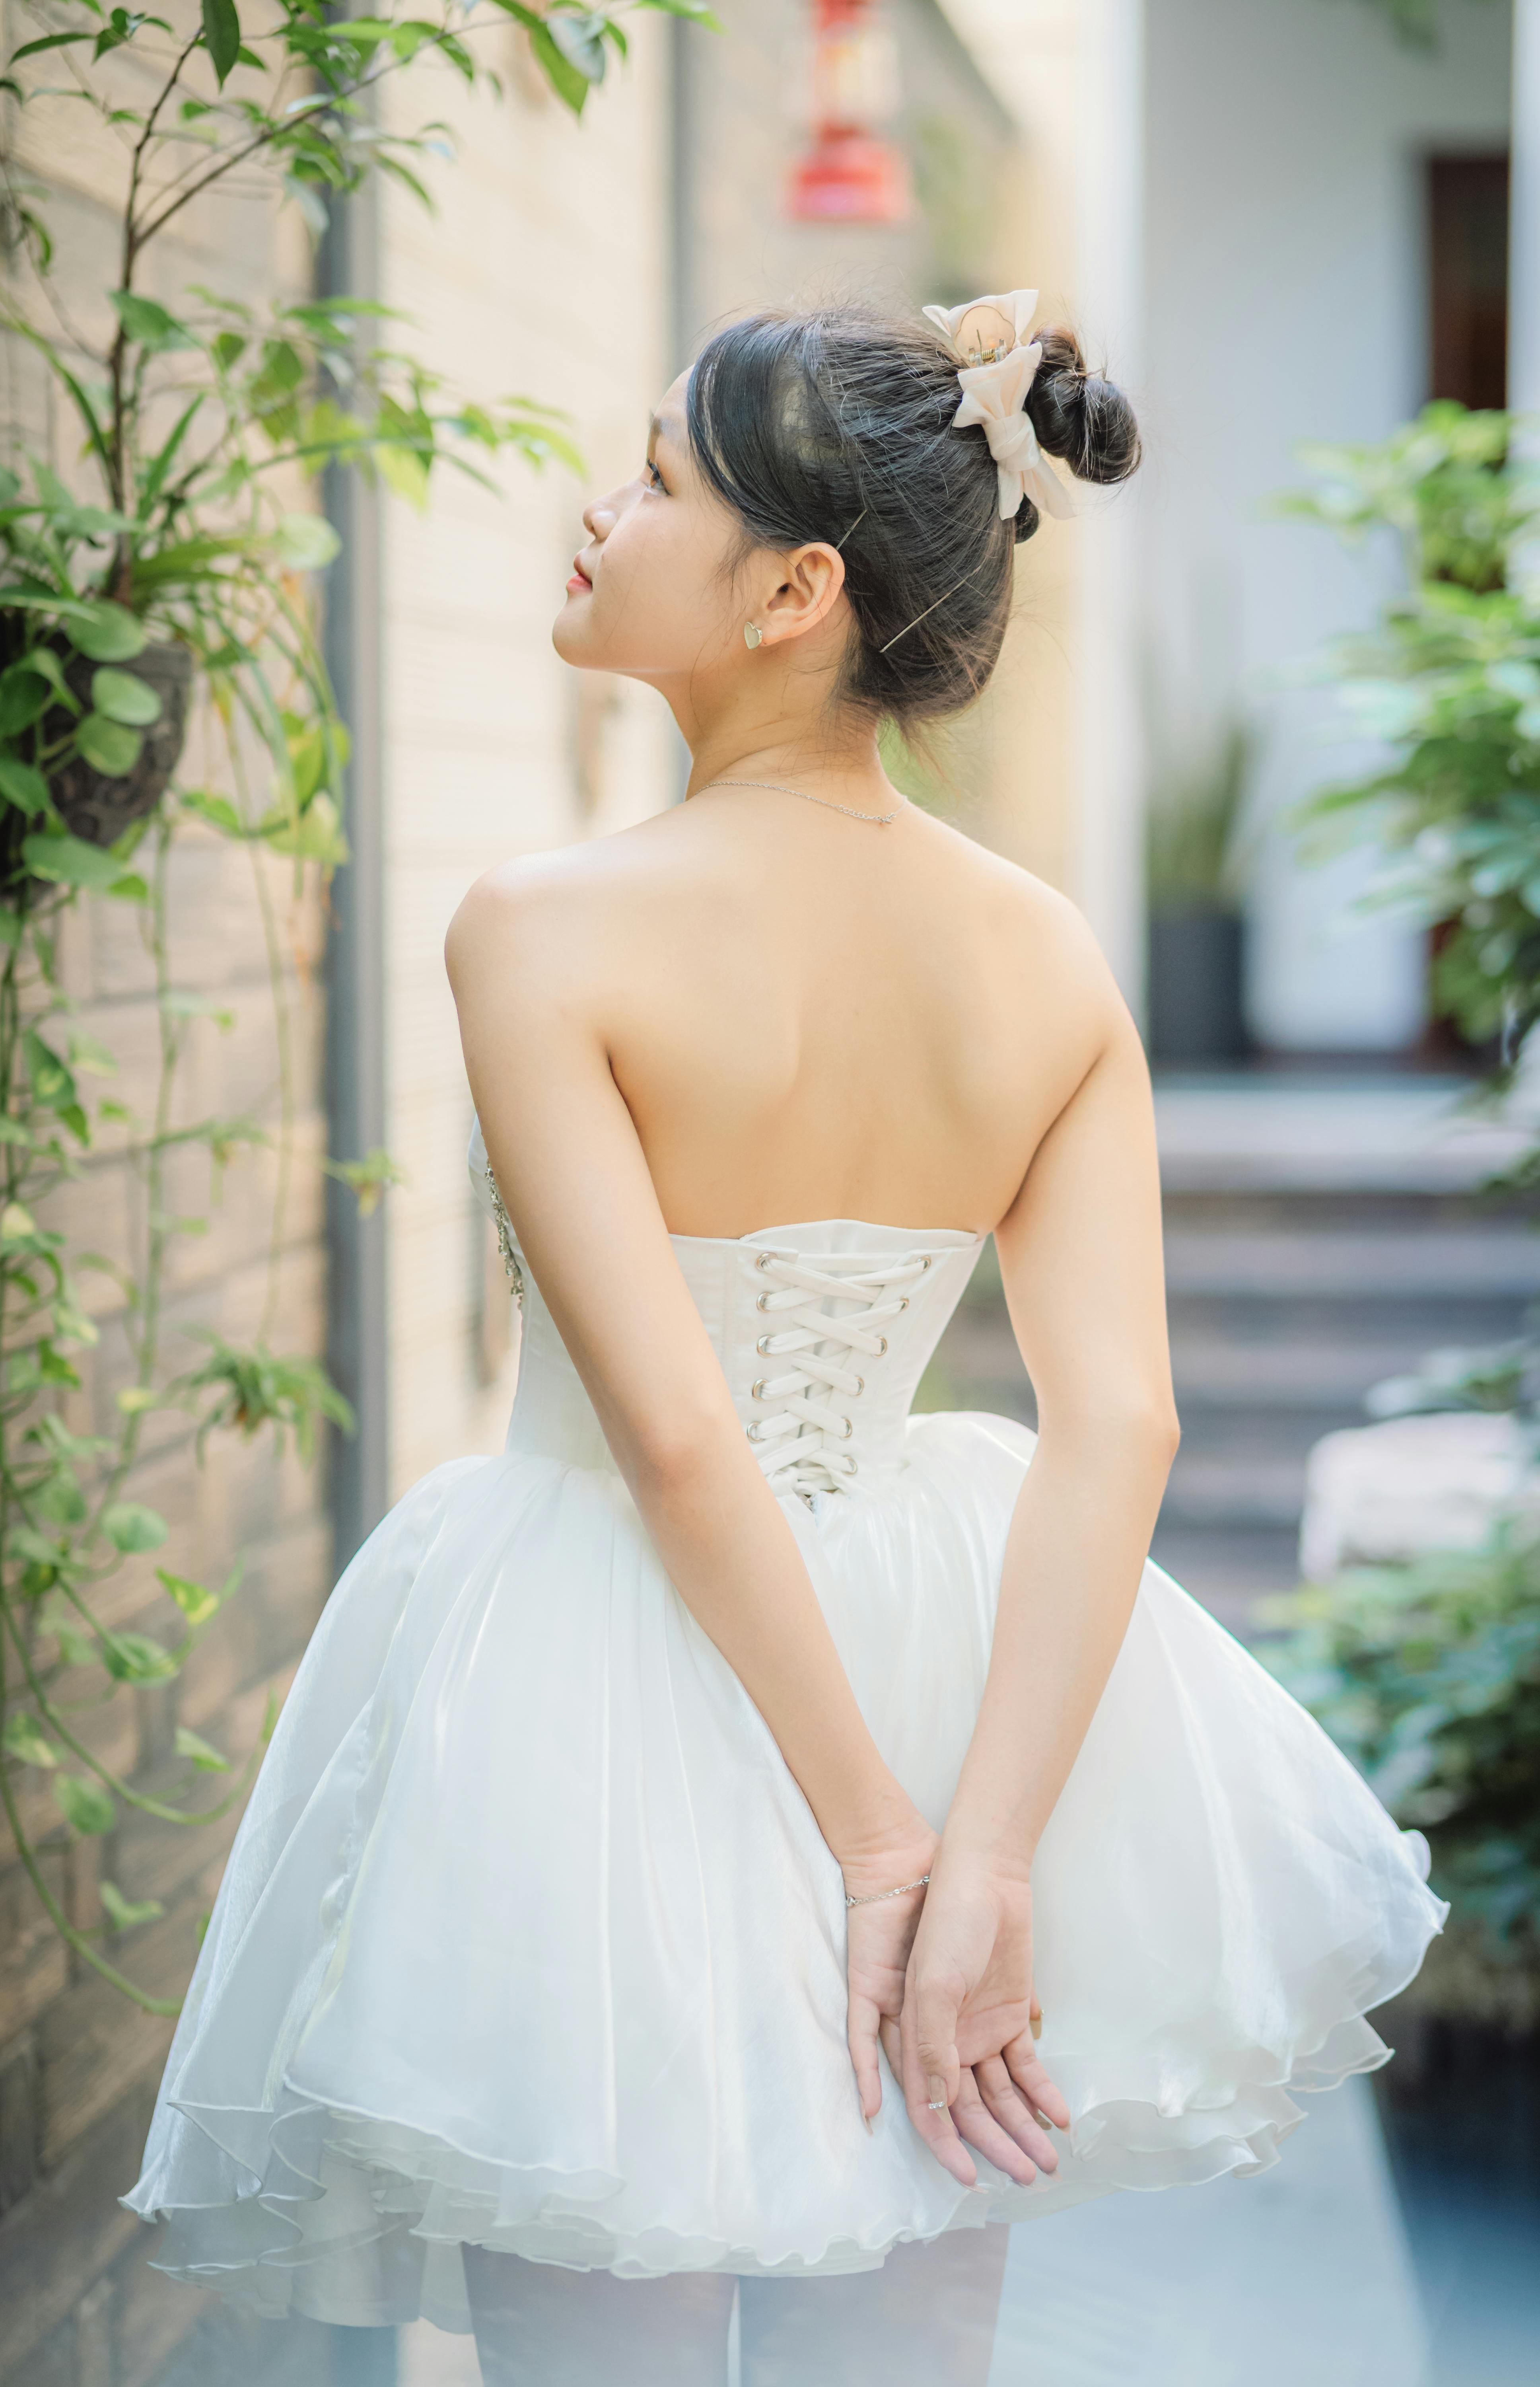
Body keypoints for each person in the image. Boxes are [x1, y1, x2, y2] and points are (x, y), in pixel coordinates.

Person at [120, 294, 1444, 2385]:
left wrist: (882, 1850)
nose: (598, 508)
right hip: (948, 1666)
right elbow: (1125, 1427)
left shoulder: (541, 928)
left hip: (603, 1675)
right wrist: (983, 1852)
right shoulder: (1046, 956)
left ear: (796, 589)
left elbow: (673, 1439)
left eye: (654, 477)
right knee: (910, 2338)